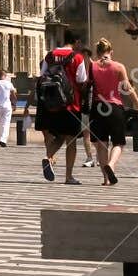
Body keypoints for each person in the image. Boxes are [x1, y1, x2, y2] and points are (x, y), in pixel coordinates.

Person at [24, 33, 89, 185]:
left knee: (58, 136)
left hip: (52, 105)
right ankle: (68, 176)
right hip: (71, 105)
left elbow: (42, 77)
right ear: (76, 41)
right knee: (71, 141)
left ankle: (48, 157)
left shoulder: (50, 55)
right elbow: (82, 80)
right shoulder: (77, 57)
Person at [89, 39, 138, 187]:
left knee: (101, 145)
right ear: (111, 52)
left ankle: (106, 179)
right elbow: (128, 90)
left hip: (97, 108)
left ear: (97, 52)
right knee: (118, 143)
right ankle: (111, 165)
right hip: (115, 108)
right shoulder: (119, 67)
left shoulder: (91, 66)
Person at [0, 68, 16, 147]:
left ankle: (1, 138)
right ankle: (3, 139)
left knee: (0, 123)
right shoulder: (9, 84)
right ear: (5, 75)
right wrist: (14, 104)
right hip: (7, 106)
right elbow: (13, 95)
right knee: (6, 123)